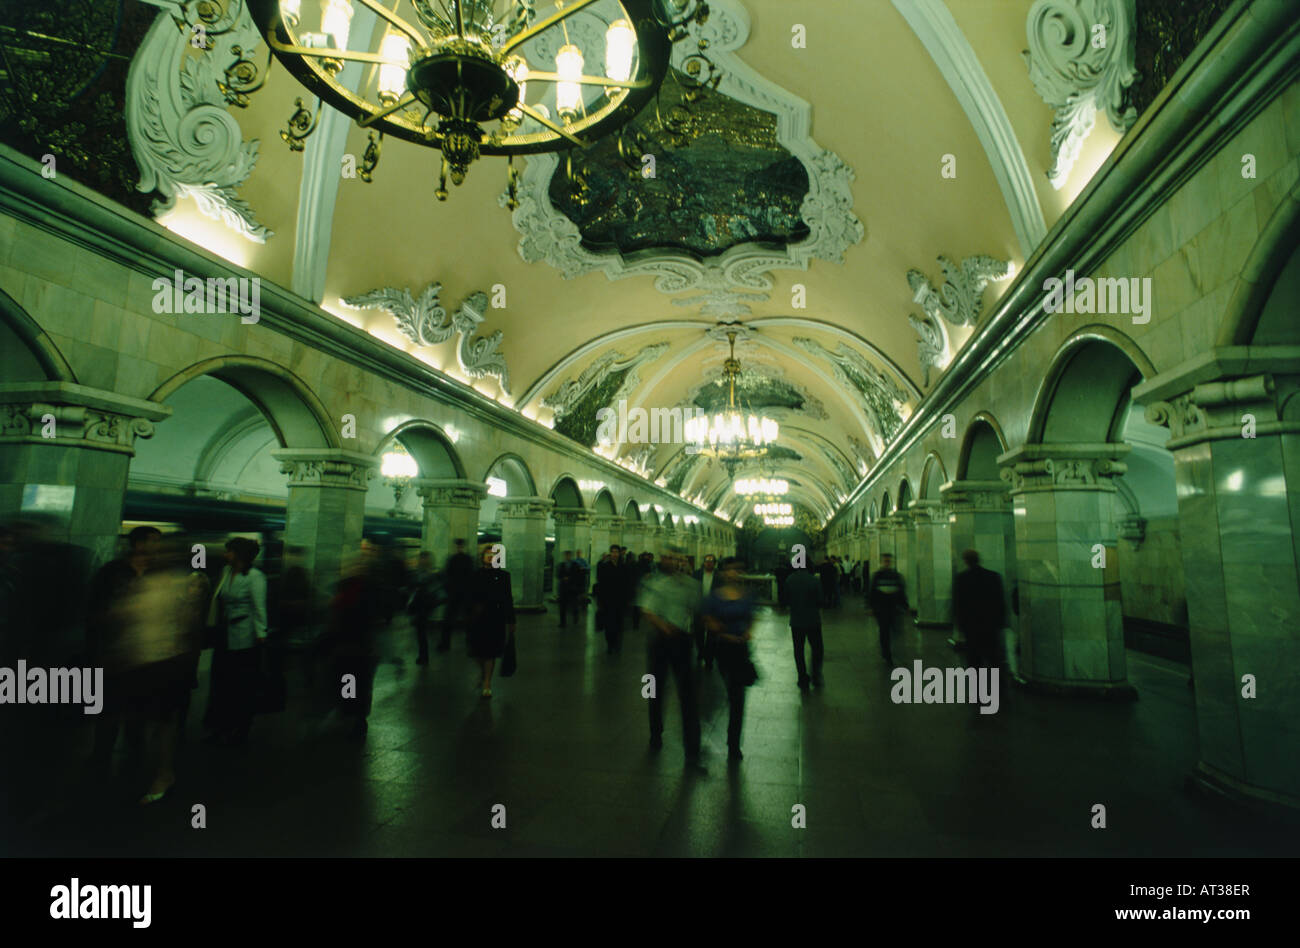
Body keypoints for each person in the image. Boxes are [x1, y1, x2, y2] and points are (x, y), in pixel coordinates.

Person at [638, 547, 702, 765]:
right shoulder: (654, 582)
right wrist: (665, 627)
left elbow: (696, 610)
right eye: (668, 557)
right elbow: (647, 610)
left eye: (676, 558)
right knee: (654, 689)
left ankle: (692, 745)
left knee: (687, 693)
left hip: (682, 641)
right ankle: (655, 733)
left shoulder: (692, 585)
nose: (672, 562)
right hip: (659, 642)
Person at [206, 536, 268, 745]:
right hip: (224, 635)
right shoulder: (225, 572)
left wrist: (261, 635)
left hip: (245, 638)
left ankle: (240, 728)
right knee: (221, 682)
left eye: (230, 551)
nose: (226, 555)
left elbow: (259, 608)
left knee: (241, 685)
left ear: (240, 555)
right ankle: (219, 726)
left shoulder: (255, 577)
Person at [320, 545, 381, 737]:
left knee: (358, 680)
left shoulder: (367, 588)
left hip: (359, 644)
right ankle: (350, 711)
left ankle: (357, 716)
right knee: (350, 679)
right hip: (346, 643)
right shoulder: (345, 586)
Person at [700, 557, 757, 762]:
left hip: (741, 649)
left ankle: (733, 743)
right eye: (730, 570)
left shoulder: (747, 596)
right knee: (730, 690)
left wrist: (748, 632)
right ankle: (726, 735)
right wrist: (724, 634)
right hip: (723, 648)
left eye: (738, 570)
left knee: (737, 697)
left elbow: (751, 618)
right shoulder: (714, 598)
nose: (734, 574)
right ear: (723, 573)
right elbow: (708, 619)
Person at [467, 543, 515, 698]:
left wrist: (511, 620)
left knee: (490, 652)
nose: (489, 557)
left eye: (492, 555)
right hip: (477, 618)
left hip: (495, 618)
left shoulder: (503, 576)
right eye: (487, 555)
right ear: (482, 558)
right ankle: (483, 673)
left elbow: (508, 599)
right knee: (477, 652)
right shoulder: (475, 575)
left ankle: (487, 682)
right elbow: (469, 597)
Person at [952, 549, 1006, 672]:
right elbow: (1000, 601)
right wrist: (1001, 622)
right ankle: (998, 686)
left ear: (965, 561)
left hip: (971, 626)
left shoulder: (962, 578)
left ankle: (976, 686)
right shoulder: (993, 577)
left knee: (974, 659)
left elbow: (958, 604)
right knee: (993, 658)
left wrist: (960, 625)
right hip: (990, 625)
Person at [785, 562, 824, 689]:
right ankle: (816, 676)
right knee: (817, 649)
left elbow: (785, 599)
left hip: (796, 621)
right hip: (813, 621)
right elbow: (820, 600)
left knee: (799, 651)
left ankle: (802, 678)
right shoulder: (814, 580)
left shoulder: (790, 579)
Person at [868, 552, 908, 666]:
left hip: (893, 608)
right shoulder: (877, 576)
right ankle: (886, 653)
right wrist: (871, 607)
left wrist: (905, 605)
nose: (887, 563)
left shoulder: (896, 576)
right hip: (881, 609)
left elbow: (901, 591)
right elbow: (872, 592)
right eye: (885, 561)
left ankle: (889, 650)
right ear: (881, 562)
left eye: (888, 561)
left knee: (894, 630)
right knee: (884, 631)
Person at [408, 550, 446, 665]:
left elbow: (418, 587)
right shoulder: (432, 572)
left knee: (421, 631)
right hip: (426, 605)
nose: (423, 560)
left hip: (424, 605)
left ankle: (423, 657)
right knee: (422, 631)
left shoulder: (424, 573)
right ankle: (424, 655)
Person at [439, 538, 475, 652]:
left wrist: (448, 590)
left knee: (448, 620)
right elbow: (472, 576)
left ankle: (445, 644)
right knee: (468, 620)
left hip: (455, 594)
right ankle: (470, 644)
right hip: (465, 594)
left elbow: (446, 576)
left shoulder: (451, 559)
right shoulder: (468, 559)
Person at [596, 545, 627, 655]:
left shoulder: (623, 567)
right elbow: (601, 584)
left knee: (618, 624)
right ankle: (610, 644)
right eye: (613, 552)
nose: (614, 554)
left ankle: (617, 643)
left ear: (619, 554)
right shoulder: (605, 567)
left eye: (616, 552)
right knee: (609, 624)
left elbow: (625, 584)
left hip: (619, 601)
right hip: (608, 601)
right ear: (610, 553)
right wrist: (600, 601)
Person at [691, 554, 717, 668]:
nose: (709, 563)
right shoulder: (696, 574)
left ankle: (709, 658)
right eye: (707, 561)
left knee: (712, 635)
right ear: (704, 562)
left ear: (714, 563)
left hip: (713, 610)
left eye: (711, 561)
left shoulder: (719, 576)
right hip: (699, 608)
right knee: (698, 633)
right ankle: (701, 651)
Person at [556, 550, 581, 628]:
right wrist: (563, 578)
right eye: (566, 555)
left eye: (569, 555)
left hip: (572, 588)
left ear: (571, 556)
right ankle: (563, 622)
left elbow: (578, 575)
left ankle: (575, 616)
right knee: (562, 606)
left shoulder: (575, 565)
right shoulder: (561, 565)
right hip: (563, 588)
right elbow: (558, 575)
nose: (567, 557)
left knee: (574, 605)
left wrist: (569, 578)